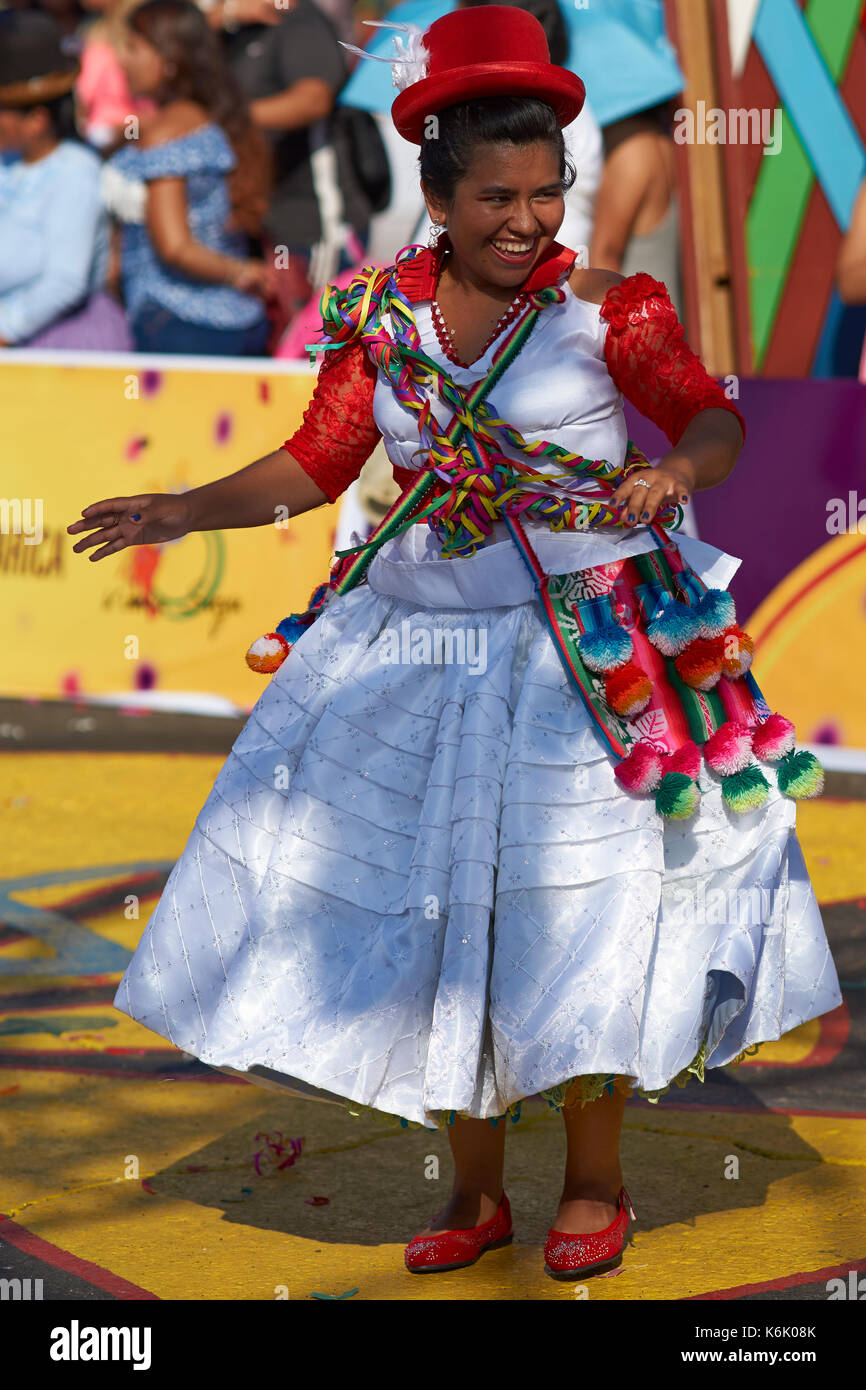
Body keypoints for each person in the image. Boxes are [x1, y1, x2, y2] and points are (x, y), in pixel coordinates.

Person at [69, 6, 840, 1283]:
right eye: (496, 197)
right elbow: (320, 462)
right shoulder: (376, 317)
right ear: (435, 197)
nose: (527, 220)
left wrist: (674, 473)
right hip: (416, 656)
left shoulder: (609, 309)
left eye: (545, 193)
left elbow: (708, 418)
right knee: (439, 926)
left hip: (576, 667)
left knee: (577, 918)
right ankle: (474, 1191)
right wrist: (184, 507)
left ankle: (592, 1185)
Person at [101, 0, 274, 355]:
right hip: (232, 322)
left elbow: (175, 247)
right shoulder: (202, 119)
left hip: (177, 320)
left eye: (133, 47)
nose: (122, 58)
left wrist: (242, 272)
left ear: (169, 59)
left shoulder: (165, 132)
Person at [0, 10, 131, 350]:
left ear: (36, 119)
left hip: (60, 344)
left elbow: (64, 282)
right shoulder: (8, 164)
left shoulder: (75, 171)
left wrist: (6, 328)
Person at [590, 101, 683, 319]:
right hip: (657, 325)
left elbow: (603, 264)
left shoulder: (632, 147)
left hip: (637, 328)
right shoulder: (658, 138)